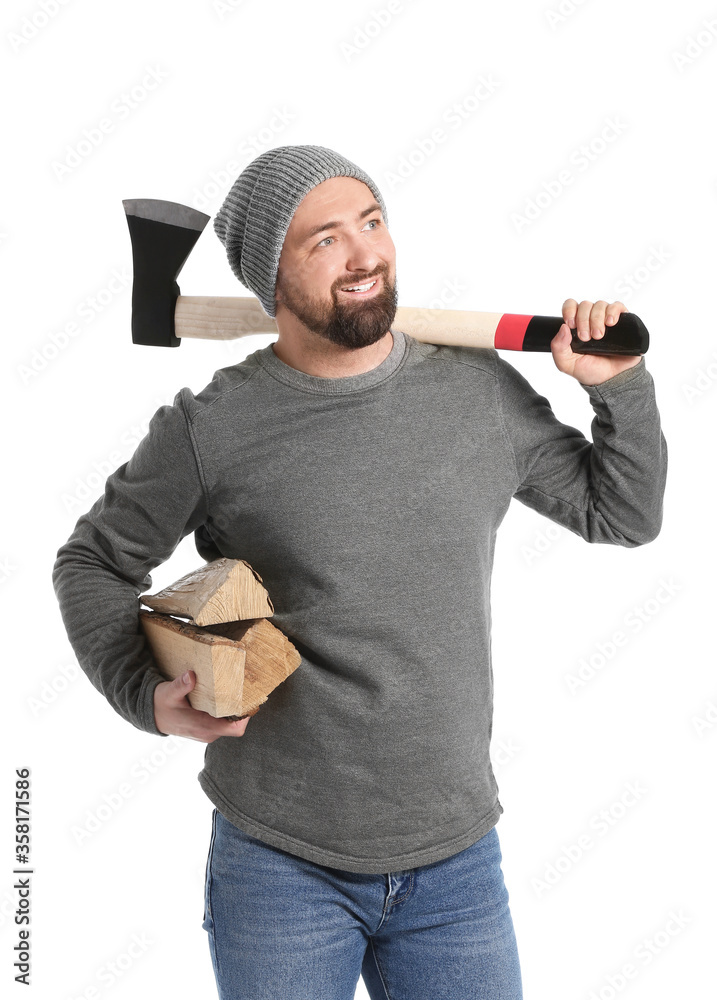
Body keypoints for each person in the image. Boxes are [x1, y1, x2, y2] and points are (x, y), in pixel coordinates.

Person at [52, 144, 668, 999]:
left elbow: (623, 515)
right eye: (324, 240)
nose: (364, 253)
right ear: (271, 278)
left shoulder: (475, 393)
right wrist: (139, 691)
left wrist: (619, 387)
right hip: (280, 863)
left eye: (371, 223)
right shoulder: (213, 427)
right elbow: (93, 561)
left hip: (456, 859)